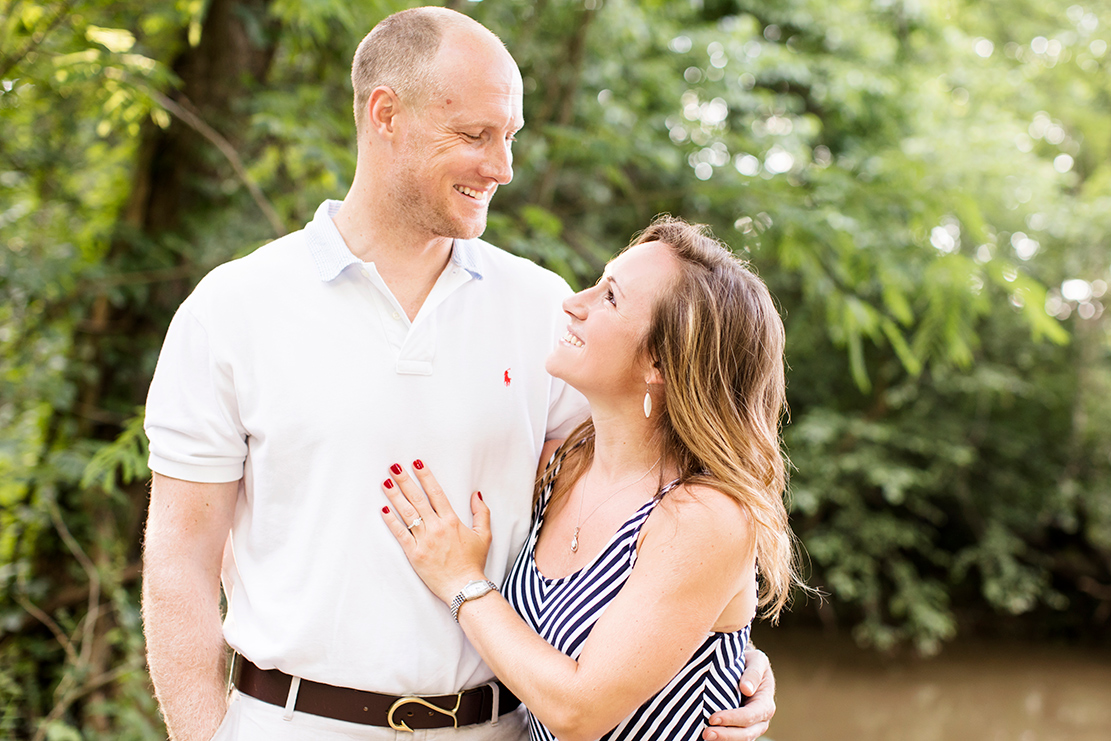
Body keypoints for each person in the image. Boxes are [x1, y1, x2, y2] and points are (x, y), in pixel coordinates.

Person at [141, 7, 776, 741]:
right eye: (475, 135)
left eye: (509, 137)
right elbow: (179, 563)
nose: (502, 167)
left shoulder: (543, 309)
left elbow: (652, 494)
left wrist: (725, 649)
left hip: (497, 729)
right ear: (386, 115)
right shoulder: (233, 307)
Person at [380, 216, 800, 741]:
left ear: (660, 361)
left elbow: (579, 712)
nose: (574, 302)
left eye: (611, 298)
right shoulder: (561, 465)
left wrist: (461, 581)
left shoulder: (704, 515)